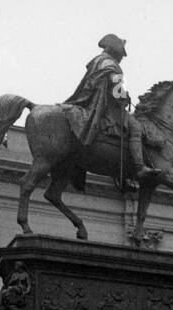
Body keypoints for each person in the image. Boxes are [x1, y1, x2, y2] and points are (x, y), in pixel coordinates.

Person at [62, 34, 157, 192]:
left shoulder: (96, 61)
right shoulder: (113, 65)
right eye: (121, 54)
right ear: (115, 51)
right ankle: (140, 168)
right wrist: (125, 97)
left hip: (88, 102)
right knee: (135, 127)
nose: (121, 58)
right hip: (105, 107)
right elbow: (117, 91)